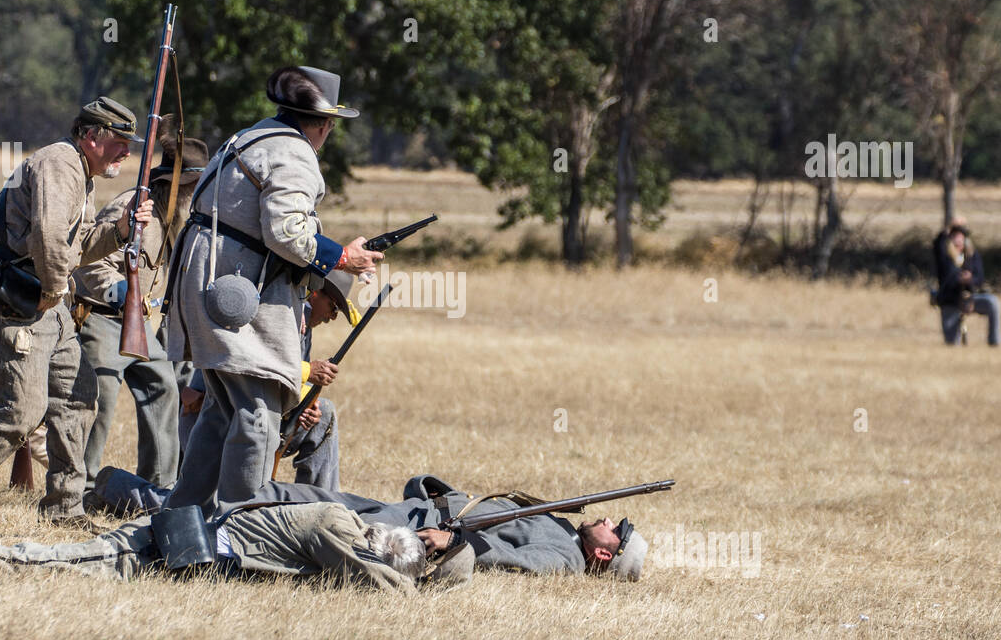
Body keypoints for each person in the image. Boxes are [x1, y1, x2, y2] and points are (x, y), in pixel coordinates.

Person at [0, 97, 154, 527]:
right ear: (92, 136)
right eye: (120, 141)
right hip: (20, 301)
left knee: (79, 397)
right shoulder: (61, 165)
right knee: (22, 410)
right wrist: (54, 288)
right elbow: (47, 237)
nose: (127, 151)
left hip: (44, 299)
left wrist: (122, 230)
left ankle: (65, 506)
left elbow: (75, 247)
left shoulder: (80, 172)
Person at [163, 66, 380, 520]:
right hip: (236, 298)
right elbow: (286, 231)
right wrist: (342, 258)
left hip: (212, 284)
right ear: (323, 124)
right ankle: (242, 527)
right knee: (258, 414)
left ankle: (181, 519)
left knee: (222, 414)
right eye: (331, 125)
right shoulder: (295, 154)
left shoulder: (250, 137)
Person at [87, 470, 649, 581]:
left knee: (280, 501)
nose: (607, 520)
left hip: (414, 529)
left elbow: (491, 553)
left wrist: (452, 535)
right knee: (288, 495)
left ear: (605, 556)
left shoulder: (563, 559)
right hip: (415, 514)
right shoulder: (562, 530)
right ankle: (150, 500)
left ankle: (143, 502)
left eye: (614, 531)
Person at [0, 502, 425, 593]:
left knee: (35, 560)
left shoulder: (341, 520)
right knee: (29, 558)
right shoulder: (335, 528)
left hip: (159, 550)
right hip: (147, 554)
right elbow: (376, 583)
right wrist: (418, 593)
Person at [72, 116, 209, 491]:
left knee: (163, 388)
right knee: (98, 403)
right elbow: (88, 263)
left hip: (140, 323)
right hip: (100, 316)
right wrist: (123, 294)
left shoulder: (173, 220)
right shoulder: (134, 208)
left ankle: (158, 487)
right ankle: (79, 488)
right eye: (194, 188)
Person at [280, 269, 359, 489]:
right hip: (251, 412)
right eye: (333, 307)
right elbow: (265, 366)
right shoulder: (287, 315)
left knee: (323, 412)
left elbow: (294, 387)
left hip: (278, 413)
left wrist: (307, 408)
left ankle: (319, 504)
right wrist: (308, 370)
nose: (332, 317)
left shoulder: (306, 326)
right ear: (315, 293)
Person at [932, 216, 1001, 346]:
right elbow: (938, 243)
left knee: (992, 302)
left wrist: (970, 280)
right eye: (954, 236)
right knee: (952, 344)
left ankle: (994, 342)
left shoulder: (972, 255)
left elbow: (980, 279)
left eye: (960, 236)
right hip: (950, 300)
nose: (958, 239)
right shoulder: (944, 254)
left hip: (971, 298)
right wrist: (948, 227)